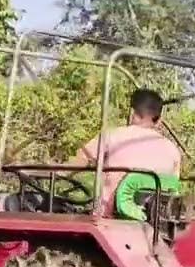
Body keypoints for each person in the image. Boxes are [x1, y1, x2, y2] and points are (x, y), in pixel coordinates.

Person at [66, 88, 182, 216]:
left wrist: (55, 175)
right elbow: (173, 189)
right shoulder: (173, 151)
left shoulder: (111, 137)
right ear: (158, 119)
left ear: (132, 112)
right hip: (153, 224)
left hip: (108, 219)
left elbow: (79, 161)